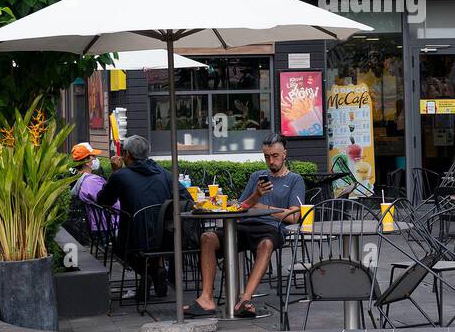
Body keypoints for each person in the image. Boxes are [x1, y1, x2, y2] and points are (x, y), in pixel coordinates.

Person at [187, 134, 304, 320]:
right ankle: (206, 298)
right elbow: (239, 207)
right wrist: (255, 197)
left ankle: (245, 300)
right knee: (207, 238)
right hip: (245, 226)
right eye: (266, 156)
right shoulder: (257, 177)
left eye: (275, 156)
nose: (271, 161)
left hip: (272, 229)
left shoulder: (295, 180)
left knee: (266, 244)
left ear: (285, 155)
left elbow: (294, 216)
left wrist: (261, 207)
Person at [95, 135, 189, 298]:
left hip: (134, 239)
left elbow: (104, 200)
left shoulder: (121, 175)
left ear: (127, 155)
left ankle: (149, 272)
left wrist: (116, 173)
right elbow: (186, 198)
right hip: (168, 238)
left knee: (118, 246)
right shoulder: (164, 173)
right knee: (153, 240)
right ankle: (156, 268)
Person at [68, 142, 112, 233]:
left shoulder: (78, 177)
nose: (96, 159)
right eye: (93, 156)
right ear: (87, 162)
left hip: (99, 223)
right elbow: (109, 200)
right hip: (106, 224)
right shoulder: (91, 181)